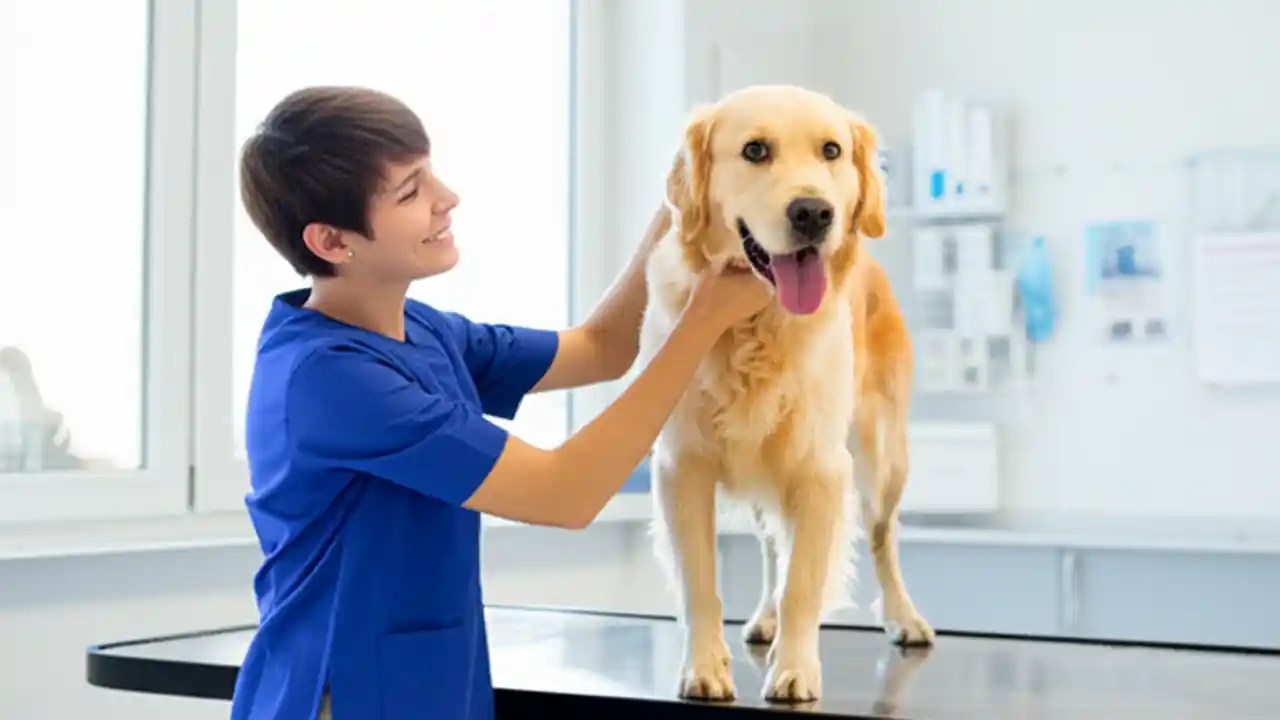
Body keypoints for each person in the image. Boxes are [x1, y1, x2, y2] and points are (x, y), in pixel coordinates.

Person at [227, 85, 772, 720]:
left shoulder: (422, 330)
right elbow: (564, 493)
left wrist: (684, 195)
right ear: (330, 241)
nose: (446, 199)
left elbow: (600, 348)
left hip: (421, 685)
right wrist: (703, 323)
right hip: (337, 694)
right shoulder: (329, 381)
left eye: (429, 173)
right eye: (410, 192)